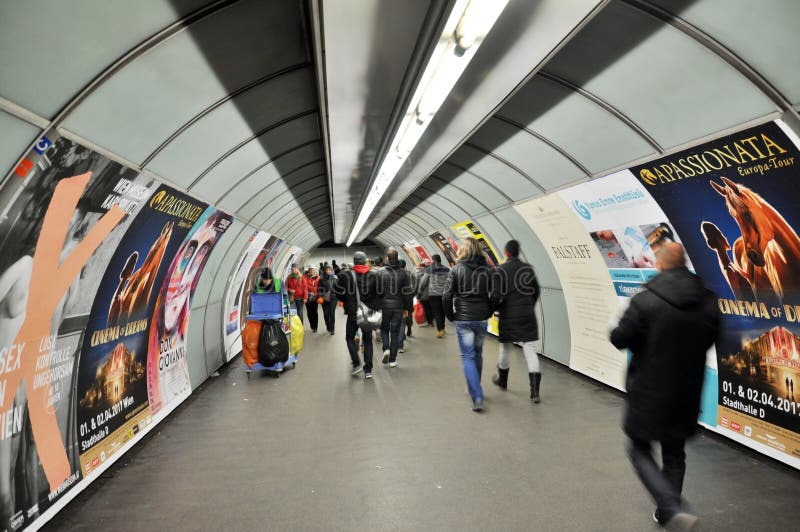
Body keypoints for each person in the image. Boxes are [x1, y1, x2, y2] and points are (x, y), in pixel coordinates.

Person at [610, 242, 720, 530]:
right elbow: (711, 338)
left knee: (638, 448)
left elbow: (620, 338)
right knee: (674, 452)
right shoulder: (708, 300)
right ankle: (667, 513)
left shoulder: (645, 300)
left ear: (658, 264)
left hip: (649, 389)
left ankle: (671, 506)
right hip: (687, 388)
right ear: (684, 264)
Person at [443, 237, 494, 412]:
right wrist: (489, 311)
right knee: (478, 354)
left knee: (467, 356)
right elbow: (495, 294)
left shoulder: (456, 269)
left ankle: (476, 394)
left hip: (464, 319)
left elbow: (446, 296)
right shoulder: (487, 270)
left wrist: (451, 316)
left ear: (461, 251)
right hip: (481, 318)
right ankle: (475, 387)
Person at [490, 240, 542, 402]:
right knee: (529, 349)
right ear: (518, 252)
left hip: (508, 315)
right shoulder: (528, 269)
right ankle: (534, 392)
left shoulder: (501, 270)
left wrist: (493, 309)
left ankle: (503, 381)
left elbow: (496, 295)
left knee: (505, 347)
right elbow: (536, 291)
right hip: (527, 315)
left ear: (506, 253)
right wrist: (529, 305)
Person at [336, 251, 382, 379]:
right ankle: (368, 370)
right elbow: (380, 293)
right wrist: (375, 308)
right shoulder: (374, 275)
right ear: (365, 261)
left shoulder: (346, 275)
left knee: (349, 337)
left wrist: (345, 301)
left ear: (355, 261)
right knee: (367, 340)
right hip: (368, 313)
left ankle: (356, 364)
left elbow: (339, 292)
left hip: (353, 312)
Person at [379, 249, 408, 367]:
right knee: (395, 333)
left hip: (384, 306)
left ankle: (386, 348)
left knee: (384, 329)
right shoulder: (403, 272)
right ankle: (392, 360)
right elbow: (407, 292)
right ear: (397, 258)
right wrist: (407, 308)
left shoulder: (380, 272)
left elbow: (377, 290)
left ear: (387, 258)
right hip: (398, 306)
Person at [420, 254, 450, 338]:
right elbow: (450, 281)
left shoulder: (429, 269)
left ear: (433, 260)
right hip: (444, 293)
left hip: (433, 294)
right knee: (442, 311)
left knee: (436, 312)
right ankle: (442, 328)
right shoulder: (447, 269)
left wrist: (421, 289)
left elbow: (423, 282)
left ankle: (440, 330)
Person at [394, 259, 414, 353]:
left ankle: (399, 340)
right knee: (407, 317)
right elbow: (412, 287)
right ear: (405, 265)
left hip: (395, 301)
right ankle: (408, 329)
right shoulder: (409, 273)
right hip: (407, 297)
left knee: (398, 323)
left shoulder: (394, 273)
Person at [319, 264, 337, 334]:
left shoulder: (335, 278)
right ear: (325, 271)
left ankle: (332, 329)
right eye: (327, 270)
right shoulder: (321, 278)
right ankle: (328, 326)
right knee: (326, 314)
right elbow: (319, 288)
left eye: (330, 270)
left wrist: (341, 299)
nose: (328, 271)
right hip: (324, 299)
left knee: (332, 313)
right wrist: (320, 296)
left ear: (332, 270)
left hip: (334, 298)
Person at [304, 267, 320, 333]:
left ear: (315, 271)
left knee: (315, 312)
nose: (312, 272)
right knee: (309, 312)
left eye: (313, 270)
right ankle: (312, 325)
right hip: (308, 297)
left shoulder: (319, 278)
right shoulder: (306, 278)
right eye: (311, 271)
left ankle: (315, 327)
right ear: (309, 272)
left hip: (315, 297)